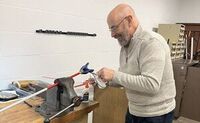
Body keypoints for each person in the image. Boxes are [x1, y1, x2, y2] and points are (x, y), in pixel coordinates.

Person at [97, 3, 176, 123]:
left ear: (129, 20)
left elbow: (151, 84)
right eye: (110, 29)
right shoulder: (125, 46)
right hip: (134, 110)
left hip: (156, 115)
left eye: (114, 28)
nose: (112, 35)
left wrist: (114, 75)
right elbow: (127, 78)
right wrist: (106, 80)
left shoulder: (151, 42)